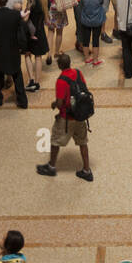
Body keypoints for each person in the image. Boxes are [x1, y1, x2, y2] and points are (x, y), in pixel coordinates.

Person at [36, 53, 93, 181]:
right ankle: (87, 170)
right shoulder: (78, 73)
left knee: (55, 140)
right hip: (80, 115)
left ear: (60, 65)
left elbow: (61, 103)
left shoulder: (61, 80)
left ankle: (51, 167)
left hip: (67, 118)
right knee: (83, 142)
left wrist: (54, 104)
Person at [0, 0, 29, 109]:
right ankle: (22, 100)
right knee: (17, 75)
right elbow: (22, 29)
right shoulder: (15, 15)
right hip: (13, 49)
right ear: (6, 2)